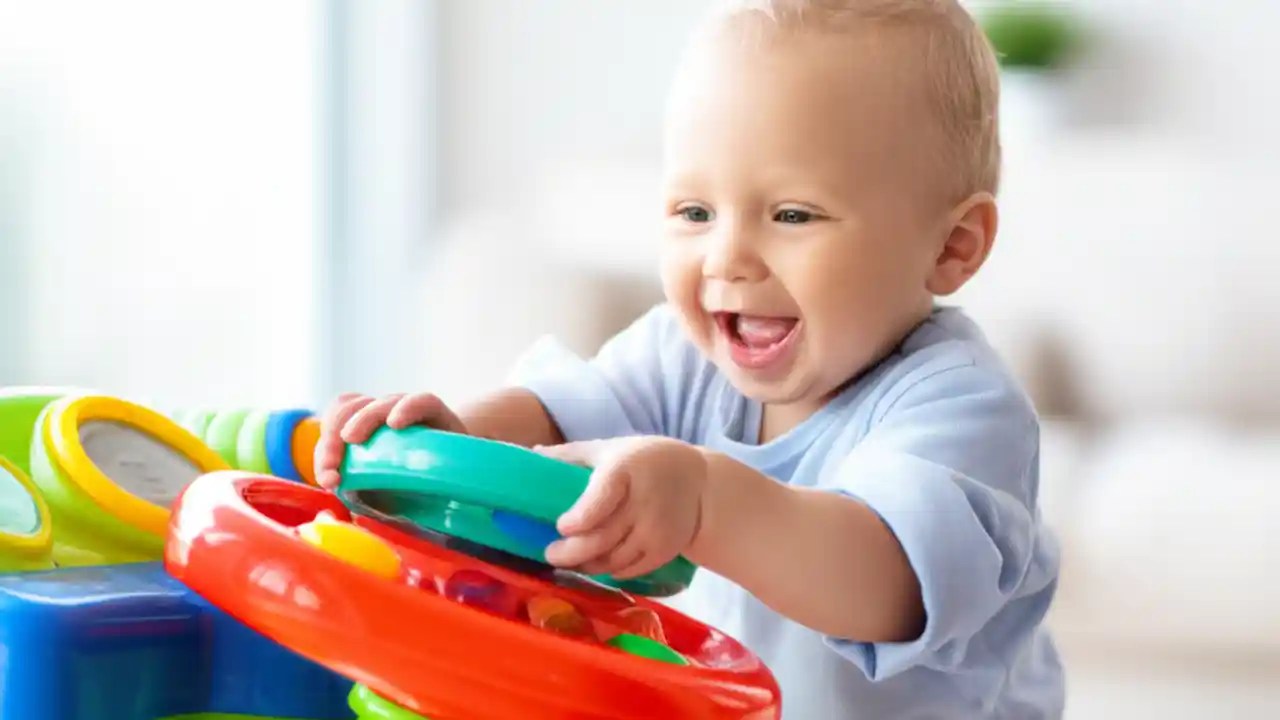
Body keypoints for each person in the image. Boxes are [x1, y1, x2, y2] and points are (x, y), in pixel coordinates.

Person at [316, 1, 1063, 716]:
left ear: (951, 247)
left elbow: (883, 580)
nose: (726, 257)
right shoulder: (684, 357)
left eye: (792, 214)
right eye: (695, 212)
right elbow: (555, 420)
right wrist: (454, 439)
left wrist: (704, 501)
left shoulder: (963, 409)